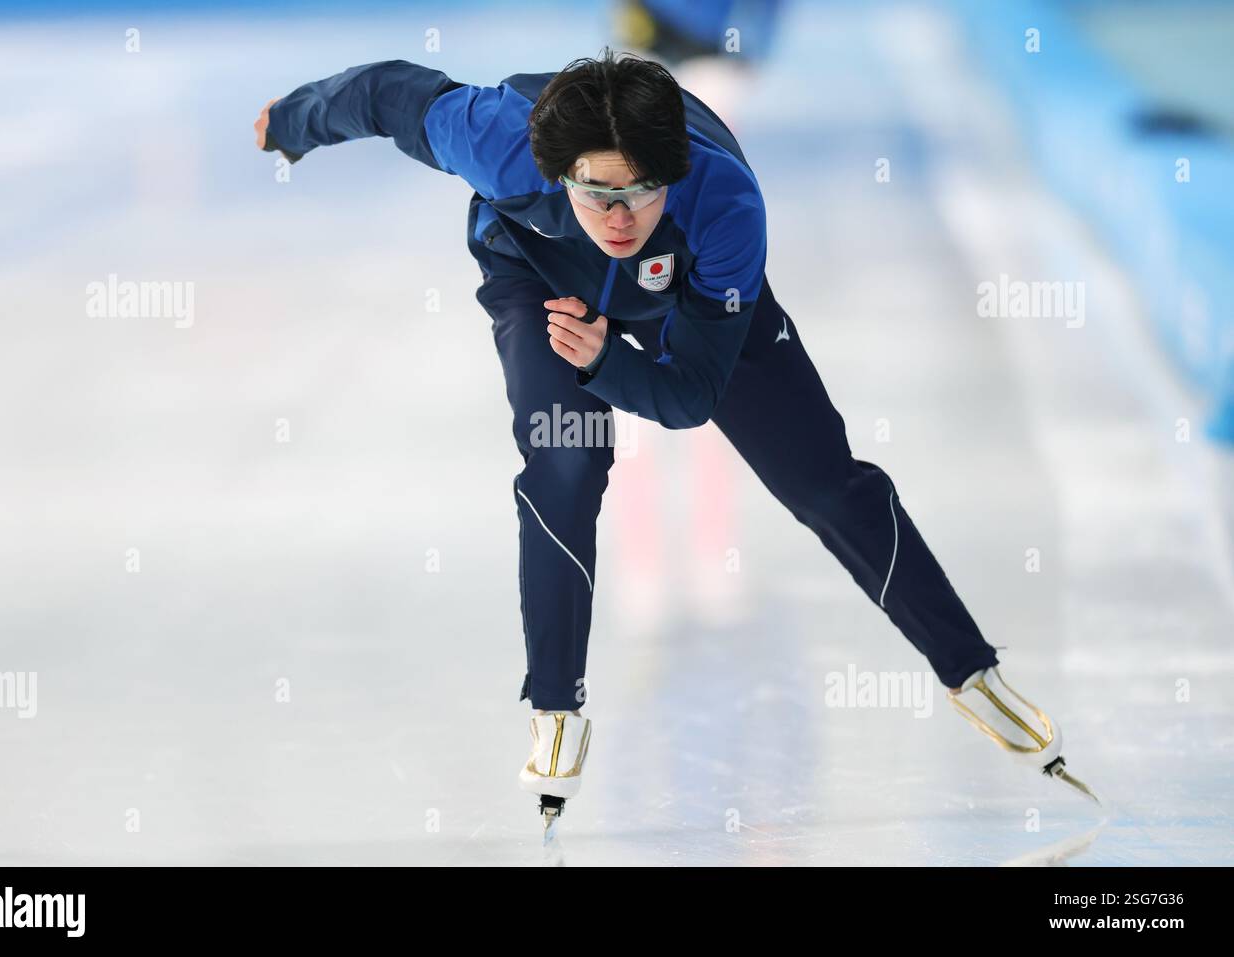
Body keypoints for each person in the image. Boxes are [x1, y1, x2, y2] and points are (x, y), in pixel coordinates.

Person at [254, 50, 1094, 833]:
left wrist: (606, 363)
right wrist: (291, 122)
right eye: (597, 193)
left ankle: (972, 670)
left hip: (687, 299)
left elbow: (689, 396)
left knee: (824, 483)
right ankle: (556, 708)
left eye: (642, 190)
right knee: (567, 461)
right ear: (555, 171)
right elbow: (380, 95)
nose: (620, 217)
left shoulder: (724, 205)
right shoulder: (493, 140)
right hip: (540, 277)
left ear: (675, 174)